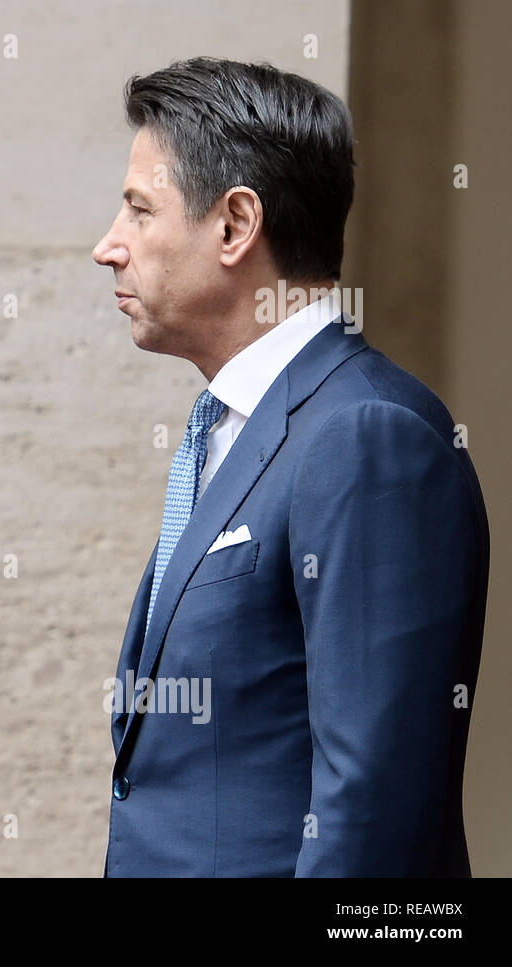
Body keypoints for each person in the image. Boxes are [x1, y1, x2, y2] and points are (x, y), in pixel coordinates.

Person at [92, 57, 488, 876]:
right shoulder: (227, 430)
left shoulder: (367, 436)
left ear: (235, 226)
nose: (109, 247)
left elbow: (372, 818)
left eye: (138, 210)